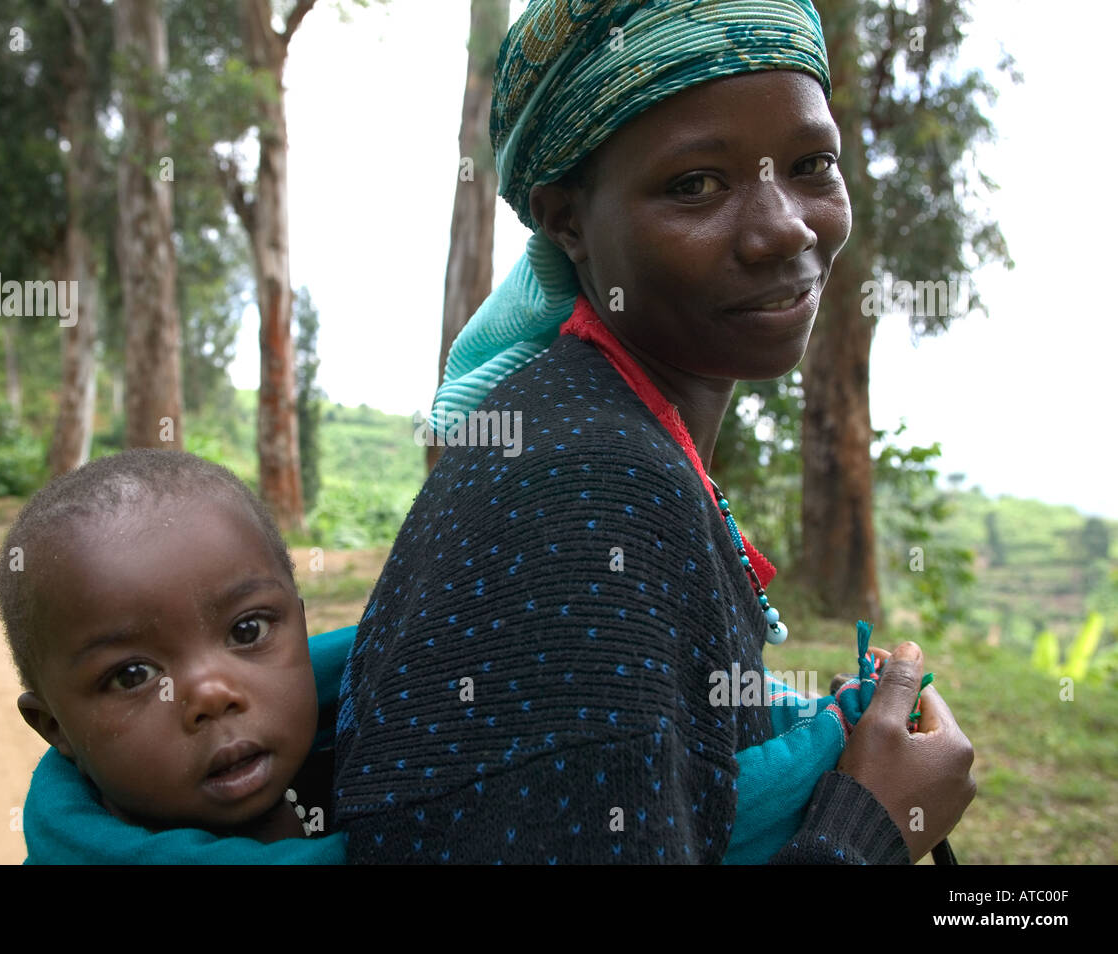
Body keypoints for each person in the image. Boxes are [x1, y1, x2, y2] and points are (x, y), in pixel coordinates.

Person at [333, 0, 976, 863]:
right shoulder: (589, 487)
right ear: (566, 220)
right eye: (695, 185)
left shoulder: (585, 420)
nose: (786, 224)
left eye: (811, 163)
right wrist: (873, 823)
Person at [0, 449, 348, 863]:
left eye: (247, 630)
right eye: (132, 675)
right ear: (55, 728)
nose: (212, 695)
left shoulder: (389, 711)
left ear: (302, 626)